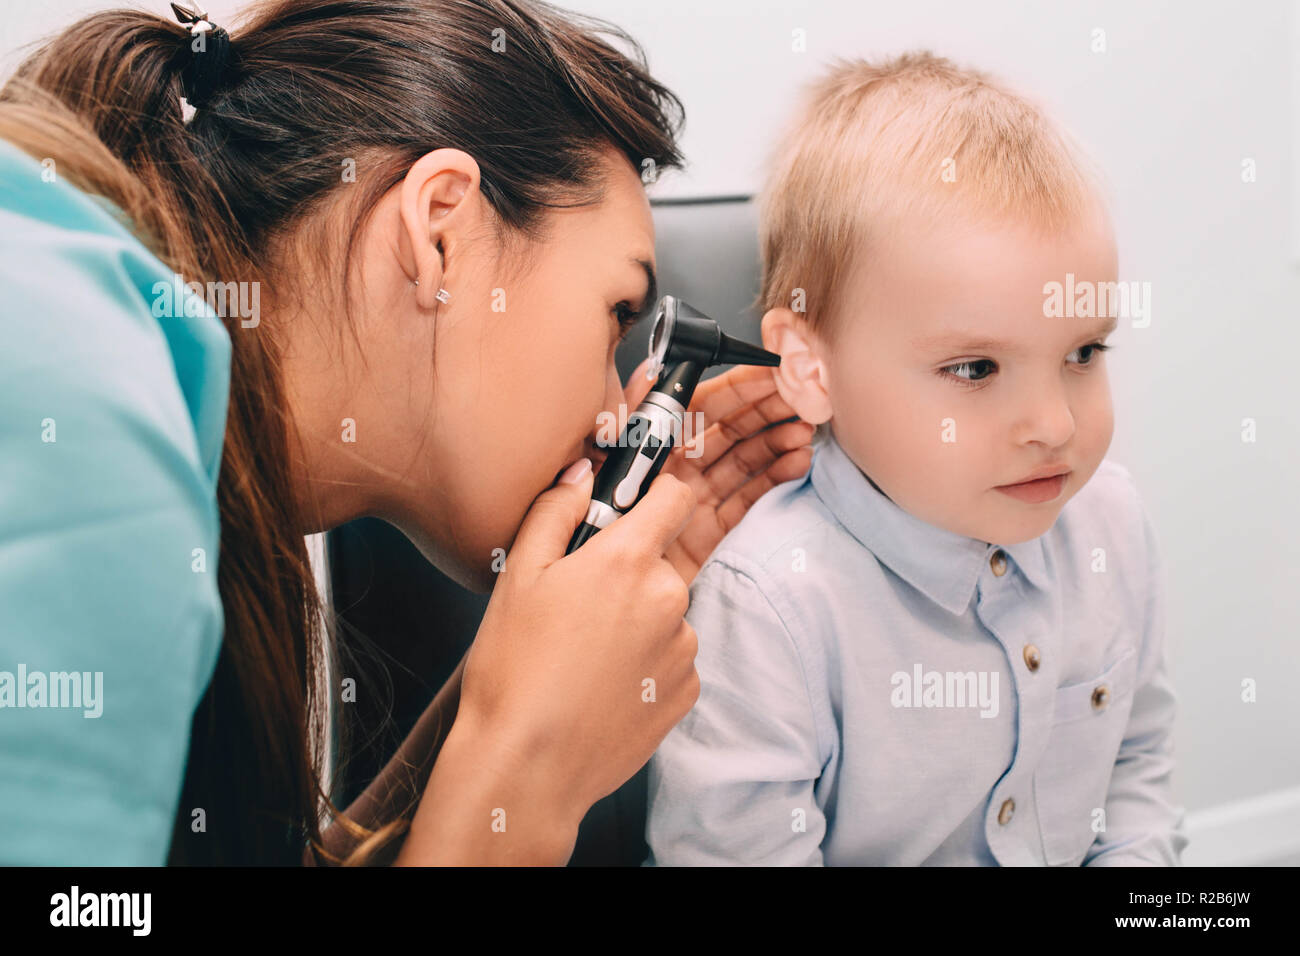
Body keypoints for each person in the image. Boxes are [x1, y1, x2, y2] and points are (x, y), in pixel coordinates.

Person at [0, 0, 813, 865]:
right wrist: (528, 769)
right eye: (617, 312)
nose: (618, 416)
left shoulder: (162, 429)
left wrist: (517, 693)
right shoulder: (94, 437)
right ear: (440, 230)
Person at [644, 52, 1189, 865]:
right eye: (975, 369)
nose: (1052, 424)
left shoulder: (1109, 523)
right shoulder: (766, 609)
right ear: (812, 368)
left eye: (1083, 352)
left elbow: (1136, 773)